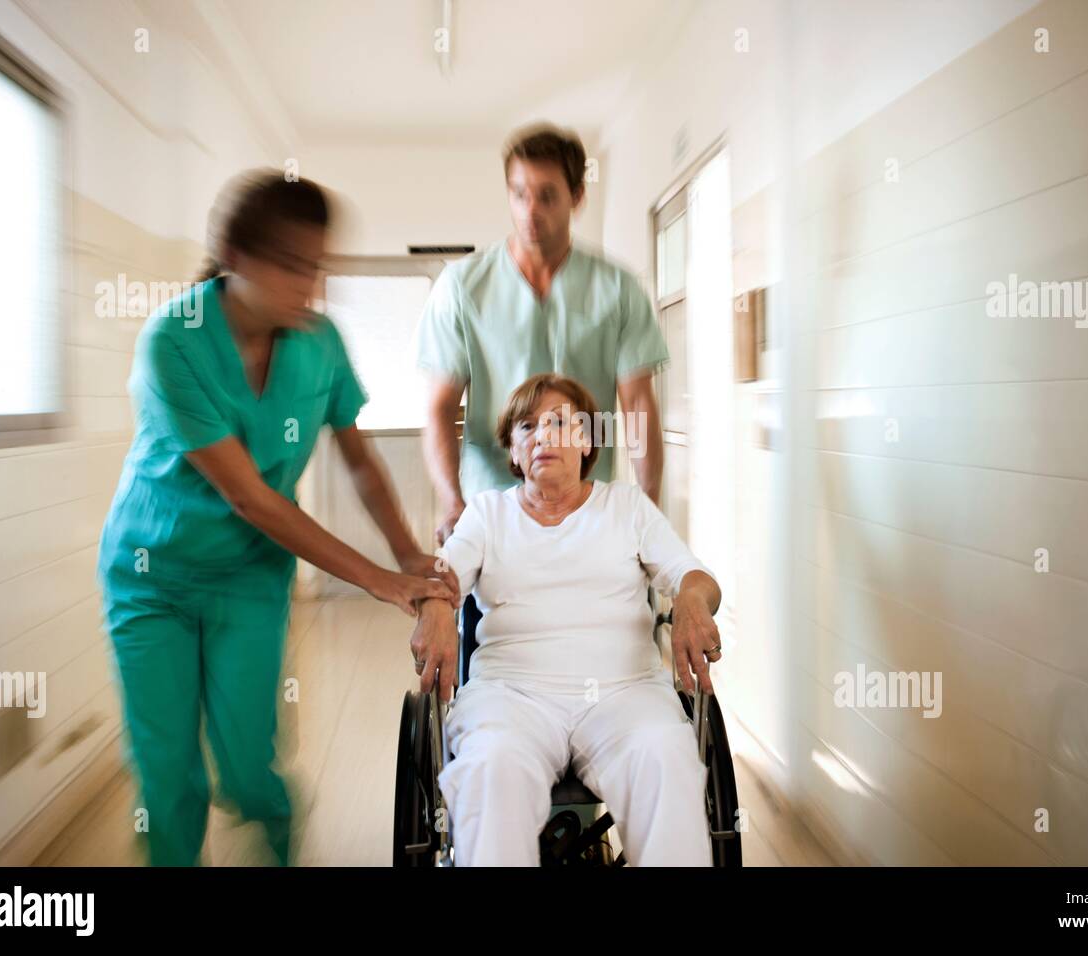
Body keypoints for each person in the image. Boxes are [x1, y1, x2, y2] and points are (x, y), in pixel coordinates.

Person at [97, 169, 457, 866]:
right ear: (236, 259)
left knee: (246, 770)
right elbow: (249, 497)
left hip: (249, 580)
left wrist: (407, 552)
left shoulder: (318, 341)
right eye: (293, 268)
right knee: (167, 777)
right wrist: (378, 580)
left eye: (317, 267)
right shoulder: (173, 340)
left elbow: (358, 460)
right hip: (151, 578)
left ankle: (279, 837)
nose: (311, 287)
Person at [410, 373, 723, 866]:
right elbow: (442, 577)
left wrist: (689, 601)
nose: (543, 435)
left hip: (625, 693)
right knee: (491, 768)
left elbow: (695, 576)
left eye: (560, 422)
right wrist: (434, 609)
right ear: (513, 452)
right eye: (527, 426)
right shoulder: (487, 514)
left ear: (586, 440)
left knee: (664, 755)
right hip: (511, 696)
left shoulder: (626, 507)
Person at [417, 121, 670, 551]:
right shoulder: (462, 287)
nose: (530, 210)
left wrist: (648, 511)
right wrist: (452, 504)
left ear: (577, 196)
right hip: (491, 510)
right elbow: (439, 408)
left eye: (547, 195)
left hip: (589, 511)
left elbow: (638, 406)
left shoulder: (619, 290)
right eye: (519, 193)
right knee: (492, 619)